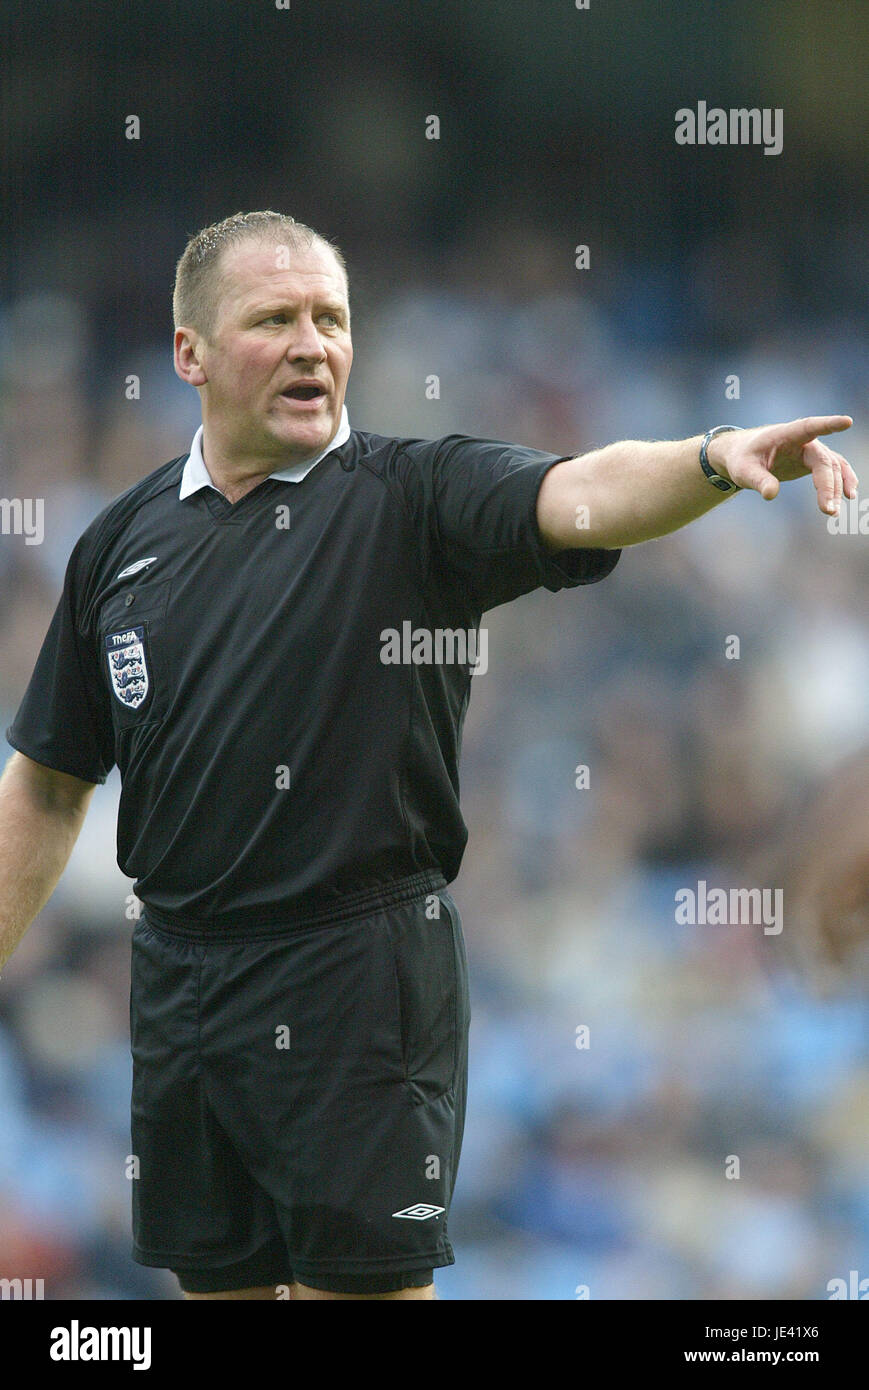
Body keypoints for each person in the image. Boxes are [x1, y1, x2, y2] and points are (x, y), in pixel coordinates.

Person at [0, 210, 857, 1301]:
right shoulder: (119, 545)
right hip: (180, 979)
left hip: (358, 974)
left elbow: (581, 490)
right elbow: (47, 782)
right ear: (190, 354)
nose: (314, 343)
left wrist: (705, 462)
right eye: (275, 319)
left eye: (331, 318)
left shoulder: (414, 496)